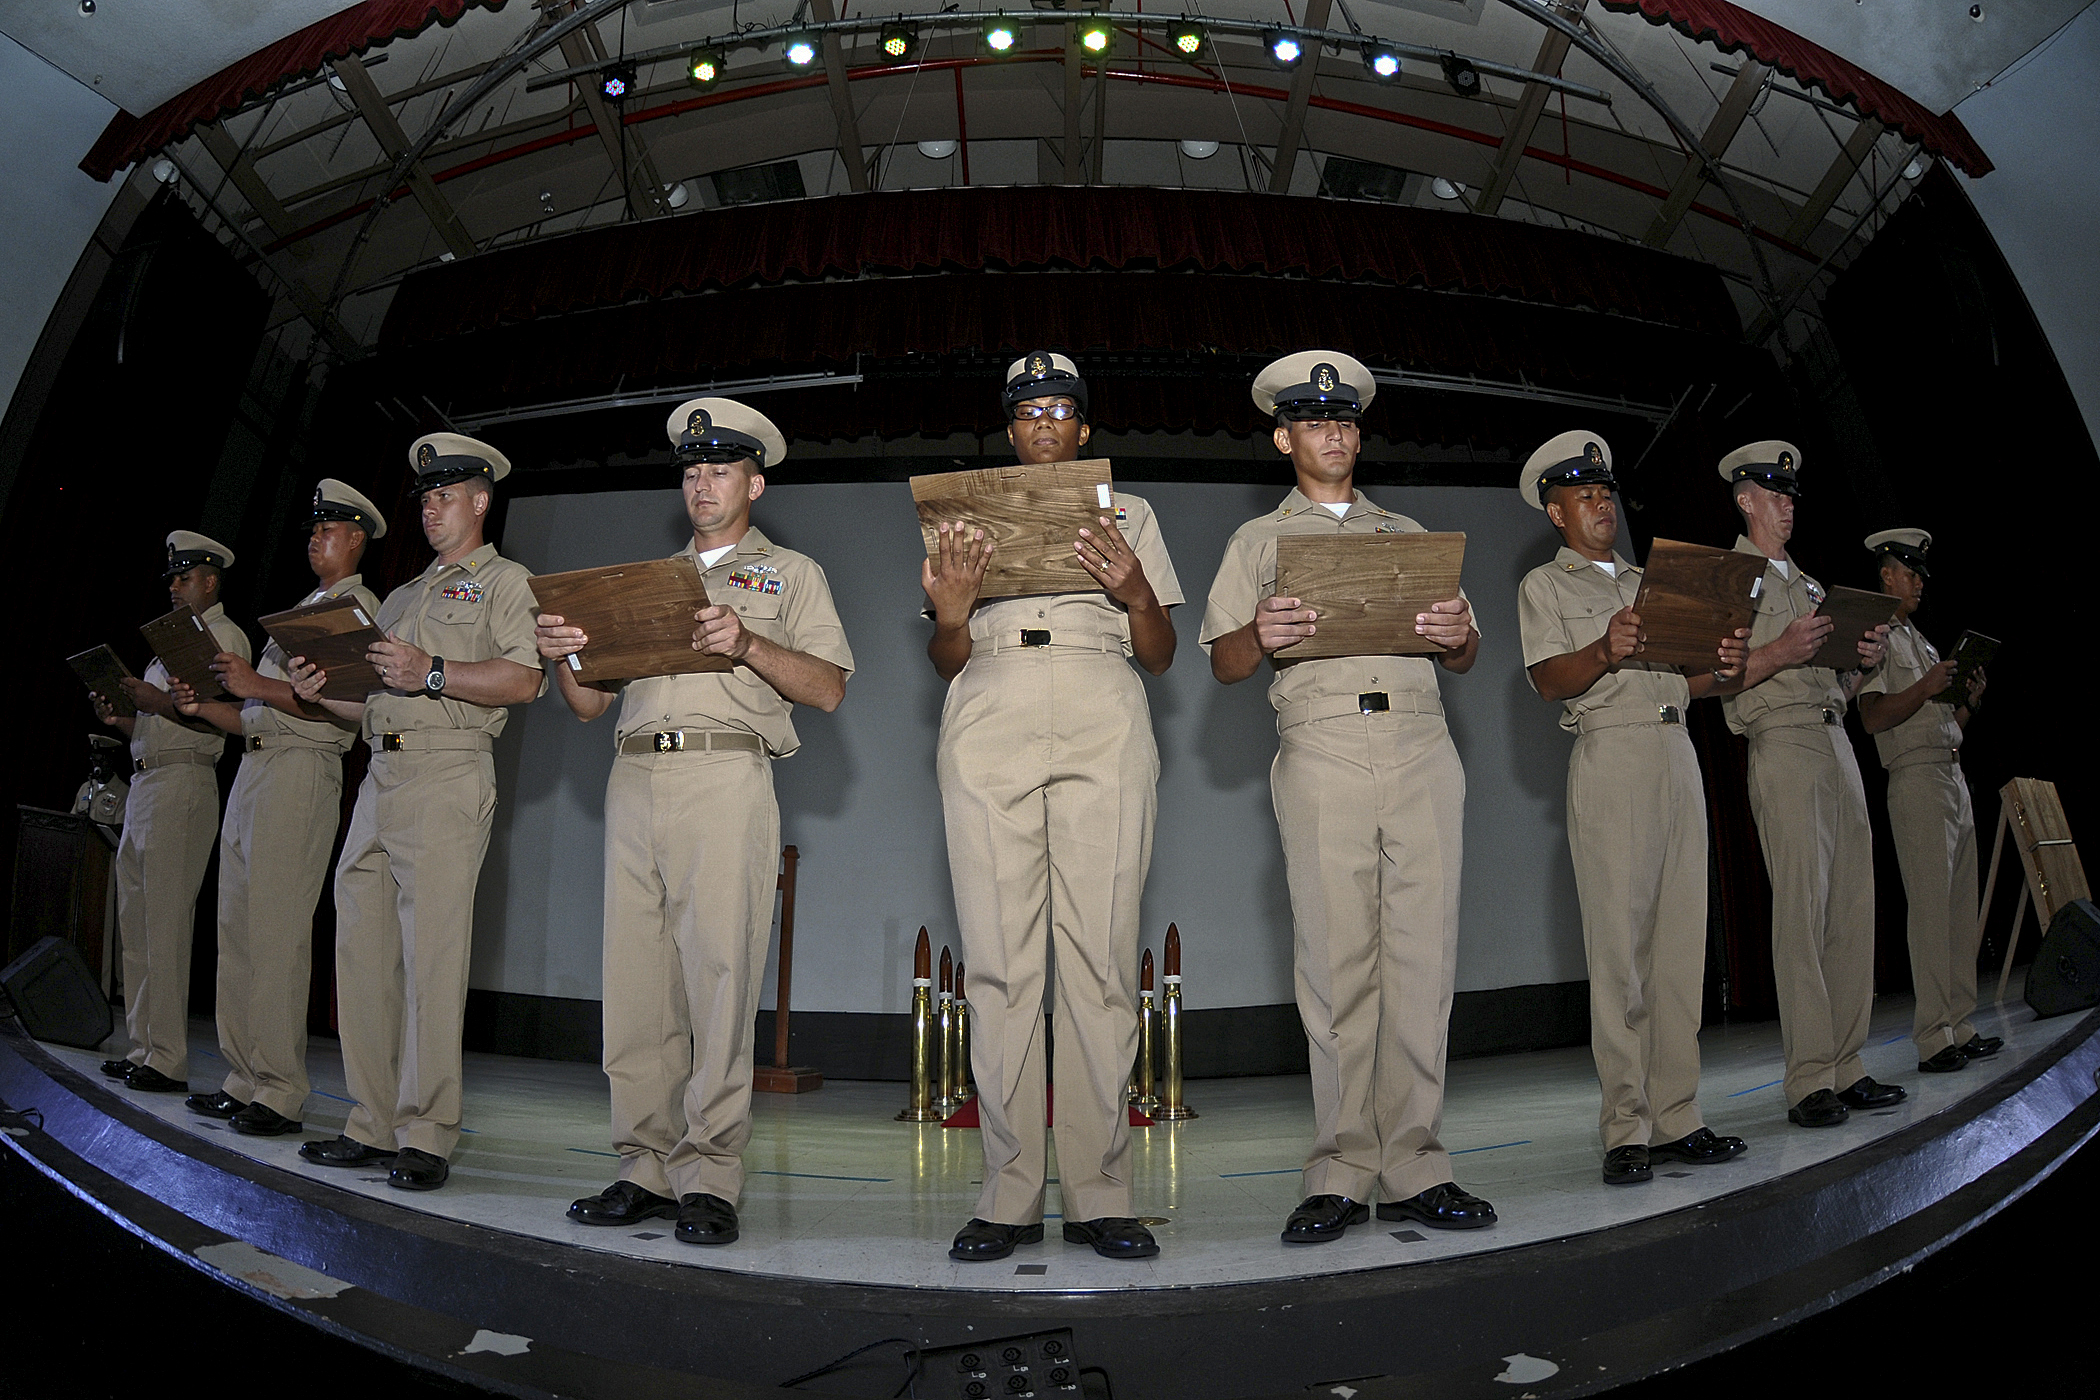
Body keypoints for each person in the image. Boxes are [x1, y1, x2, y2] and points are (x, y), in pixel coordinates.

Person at [539, 399, 852, 1246]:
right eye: (691, 469)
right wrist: (565, 654)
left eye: (720, 469)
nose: (701, 483)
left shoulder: (791, 574)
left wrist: (747, 643)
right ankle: (642, 1166)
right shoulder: (643, 582)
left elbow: (828, 688)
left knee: (719, 979)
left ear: (755, 484)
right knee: (636, 984)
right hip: (634, 775)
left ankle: (709, 1174)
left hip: (725, 773)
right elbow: (587, 706)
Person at [1201, 351, 1494, 1243]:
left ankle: (1416, 1166)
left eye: (1344, 420)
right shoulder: (1258, 542)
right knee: (1335, 966)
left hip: (1421, 743)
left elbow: (1466, 651)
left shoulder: (1407, 533)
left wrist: (1456, 634)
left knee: (1422, 962)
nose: (1332, 432)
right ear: (1282, 438)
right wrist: (1259, 632)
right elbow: (1224, 663)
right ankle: (1339, 1170)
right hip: (1322, 745)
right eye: (1312, 420)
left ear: (1358, 436)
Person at [925, 351, 1181, 1263]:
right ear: (1009, 428)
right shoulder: (961, 518)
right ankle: (1008, 1194)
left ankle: (1100, 1193)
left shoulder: (1129, 513)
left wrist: (1135, 592)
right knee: (999, 964)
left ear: (1084, 428)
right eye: (1028, 409)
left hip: (1101, 700)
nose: (1044, 422)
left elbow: (1161, 652)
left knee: (1101, 960)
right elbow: (945, 659)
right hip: (989, 702)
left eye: (1060, 408)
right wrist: (952, 614)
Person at [287, 434, 544, 1190]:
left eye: (445, 495)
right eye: (425, 498)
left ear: (480, 501)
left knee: (432, 959)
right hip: (380, 773)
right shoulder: (399, 597)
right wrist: (317, 692)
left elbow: (524, 679)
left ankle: (427, 1132)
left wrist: (430, 670)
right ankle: (372, 1122)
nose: (431, 508)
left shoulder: (506, 581)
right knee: (362, 956)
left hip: (446, 772)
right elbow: (369, 702)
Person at [1514, 431, 1749, 1187]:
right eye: (1583, 495)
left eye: (1606, 492)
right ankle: (1626, 1127)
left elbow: (1689, 680)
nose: (1601, 504)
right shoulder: (1545, 587)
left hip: (1678, 748)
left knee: (1681, 943)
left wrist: (1724, 667)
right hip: (1610, 753)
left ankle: (1678, 1114)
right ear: (1556, 512)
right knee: (1620, 950)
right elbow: (1548, 680)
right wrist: (1603, 649)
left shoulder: (1654, 580)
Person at [163, 482, 386, 1136]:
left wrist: (256, 682)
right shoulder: (304, 609)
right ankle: (244, 1076)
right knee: (237, 930)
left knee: (278, 933)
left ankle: (281, 1090)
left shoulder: (356, 608)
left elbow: (343, 706)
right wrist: (208, 706)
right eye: (313, 529)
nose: (315, 538)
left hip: (299, 771)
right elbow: (256, 712)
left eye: (328, 529)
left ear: (357, 539)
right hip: (256, 765)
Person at [1717, 442, 1895, 1129]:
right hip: (1782, 740)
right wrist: (1780, 650)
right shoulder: (1731, 579)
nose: (1788, 505)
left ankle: (1848, 1064)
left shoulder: (1814, 585)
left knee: (1852, 906)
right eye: (1774, 493)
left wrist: (1862, 665)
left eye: (1791, 494)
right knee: (1802, 909)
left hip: (1834, 736)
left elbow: (1834, 684)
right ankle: (1810, 1079)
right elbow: (1714, 678)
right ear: (1746, 500)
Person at [91, 532, 251, 1093]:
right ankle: (143, 1047)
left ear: (211, 580)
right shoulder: (168, 646)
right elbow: (159, 722)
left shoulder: (223, 637)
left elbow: (216, 717)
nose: (175, 587)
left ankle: (167, 1059)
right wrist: (123, 720)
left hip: (183, 780)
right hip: (146, 778)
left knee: (165, 924)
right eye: (172, 579)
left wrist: (155, 702)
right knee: (136, 924)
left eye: (185, 578)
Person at [1854, 528, 2000, 1074]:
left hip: (1951, 772)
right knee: (1932, 910)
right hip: (1916, 780)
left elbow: (1941, 722)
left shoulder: (1924, 643)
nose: (1918, 582)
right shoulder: (1880, 638)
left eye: (1921, 574)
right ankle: (1934, 1036)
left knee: (1960, 907)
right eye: (1910, 572)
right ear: (1886, 575)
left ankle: (1960, 1022)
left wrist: (1967, 704)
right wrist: (1926, 686)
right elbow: (1872, 717)